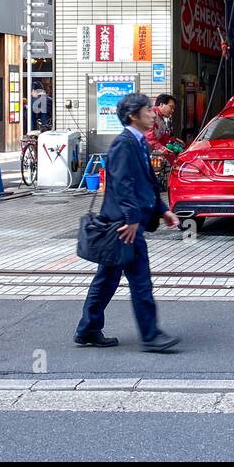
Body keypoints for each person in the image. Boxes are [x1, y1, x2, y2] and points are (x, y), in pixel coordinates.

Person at [75, 92, 181, 352]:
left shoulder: (138, 142)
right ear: (133, 116)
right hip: (123, 228)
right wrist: (132, 219)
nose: (153, 112)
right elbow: (123, 184)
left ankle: (88, 329)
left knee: (107, 279)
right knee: (140, 280)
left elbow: (145, 184)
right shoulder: (125, 144)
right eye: (147, 109)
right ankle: (151, 335)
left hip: (123, 226)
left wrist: (162, 209)